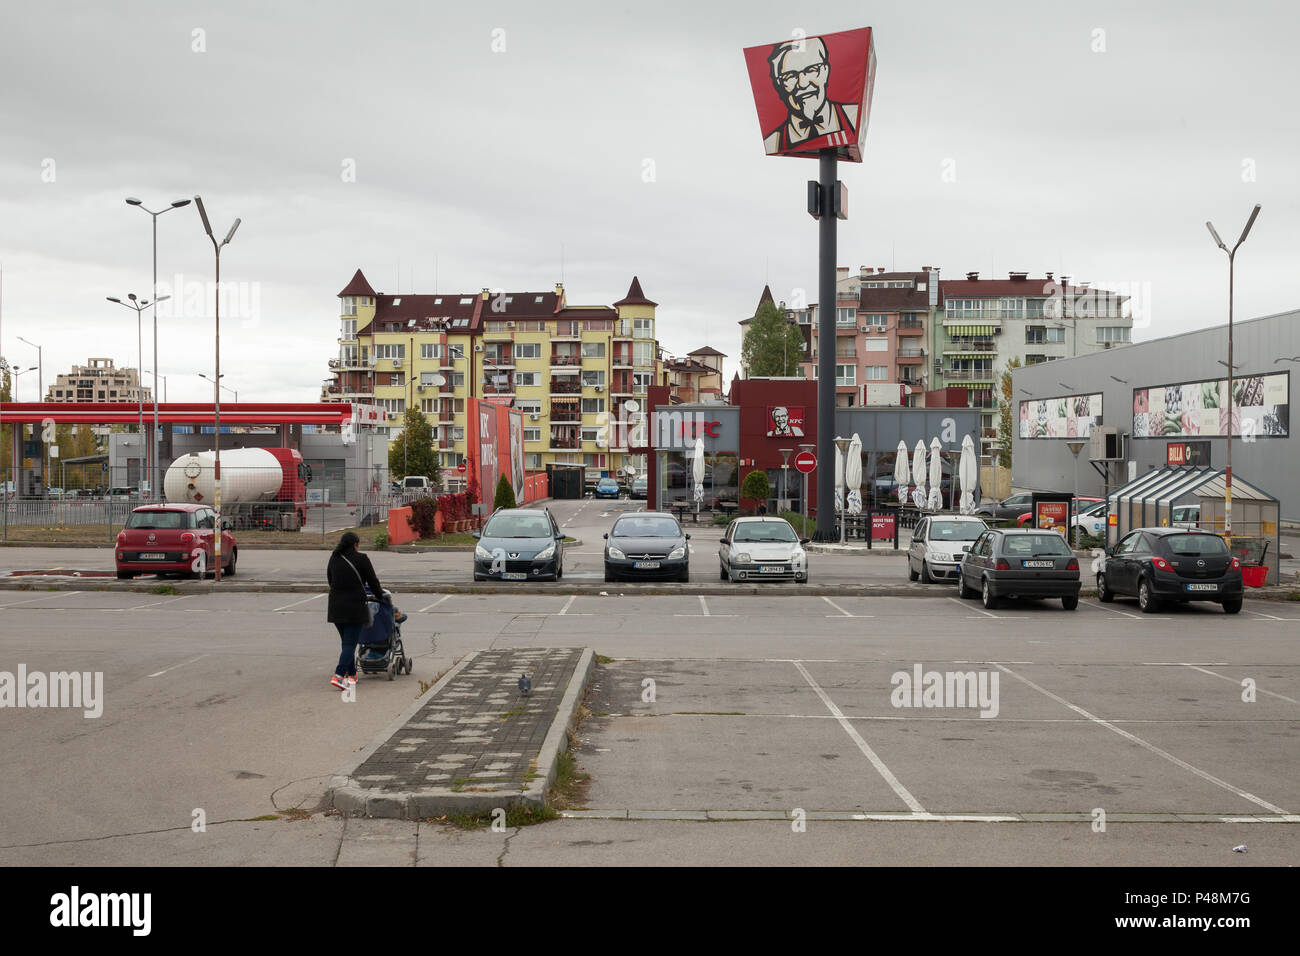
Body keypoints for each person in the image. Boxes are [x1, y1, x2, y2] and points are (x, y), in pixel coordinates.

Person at [762, 37, 860, 155]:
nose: (803, 84)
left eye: (811, 70)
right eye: (790, 76)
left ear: (825, 71)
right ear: (779, 85)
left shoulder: (853, 117)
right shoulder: (773, 142)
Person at [326, 531, 386, 690]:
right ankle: (339, 676)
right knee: (349, 644)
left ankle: (351, 674)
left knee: (347, 643)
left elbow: (330, 580)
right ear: (355, 545)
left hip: (335, 607)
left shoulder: (334, 558)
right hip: (354, 608)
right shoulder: (362, 559)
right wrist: (380, 596)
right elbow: (373, 581)